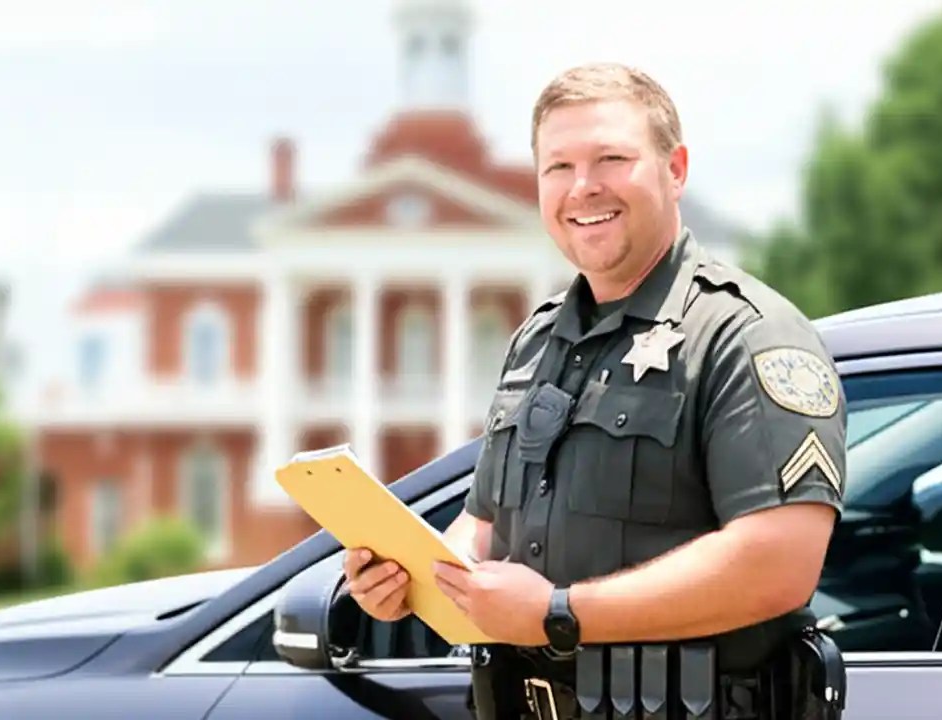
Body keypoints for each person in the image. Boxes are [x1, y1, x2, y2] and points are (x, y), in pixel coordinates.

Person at [342, 62, 847, 719]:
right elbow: (488, 526)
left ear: (675, 170)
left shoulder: (743, 334)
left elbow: (780, 562)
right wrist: (414, 577)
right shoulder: (537, 341)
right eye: (558, 167)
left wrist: (558, 615)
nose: (583, 188)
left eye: (611, 158)